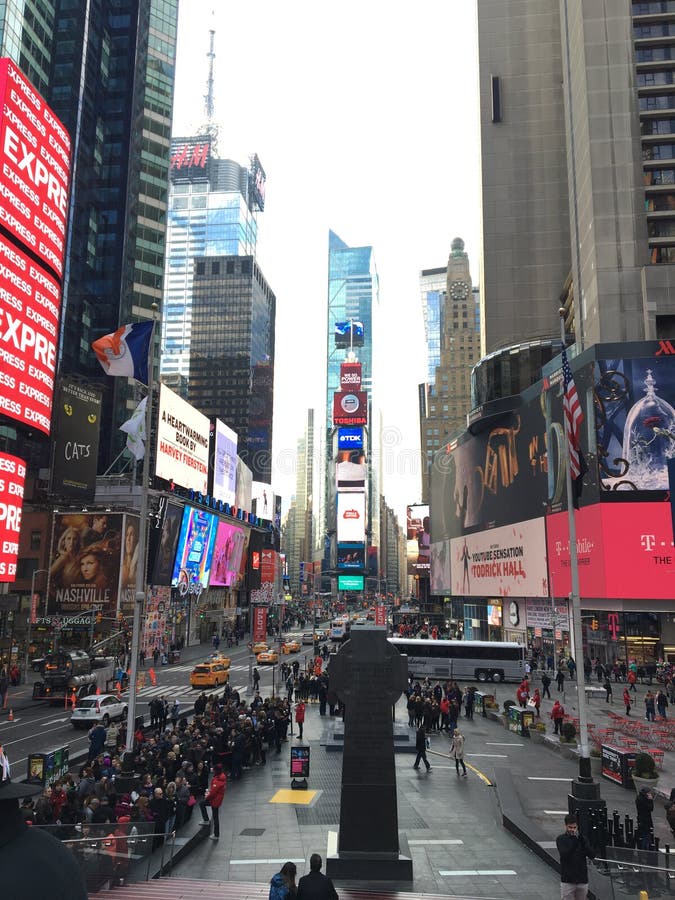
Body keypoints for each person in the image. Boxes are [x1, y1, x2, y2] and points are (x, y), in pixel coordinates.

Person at [556, 813, 595, 900]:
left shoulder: (583, 839)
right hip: (568, 880)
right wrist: (575, 842)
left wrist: (584, 844)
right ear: (566, 826)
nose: (572, 830)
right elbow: (565, 854)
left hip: (582, 879)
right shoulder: (561, 839)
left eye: (574, 827)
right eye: (570, 827)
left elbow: (592, 855)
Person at [199, 763, 226, 839]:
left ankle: (216, 833)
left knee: (203, 805)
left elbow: (213, 793)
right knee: (215, 816)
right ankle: (216, 833)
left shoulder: (217, 781)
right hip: (217, 800)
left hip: (215, 801)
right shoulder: (221, 778)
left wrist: (207, 796)